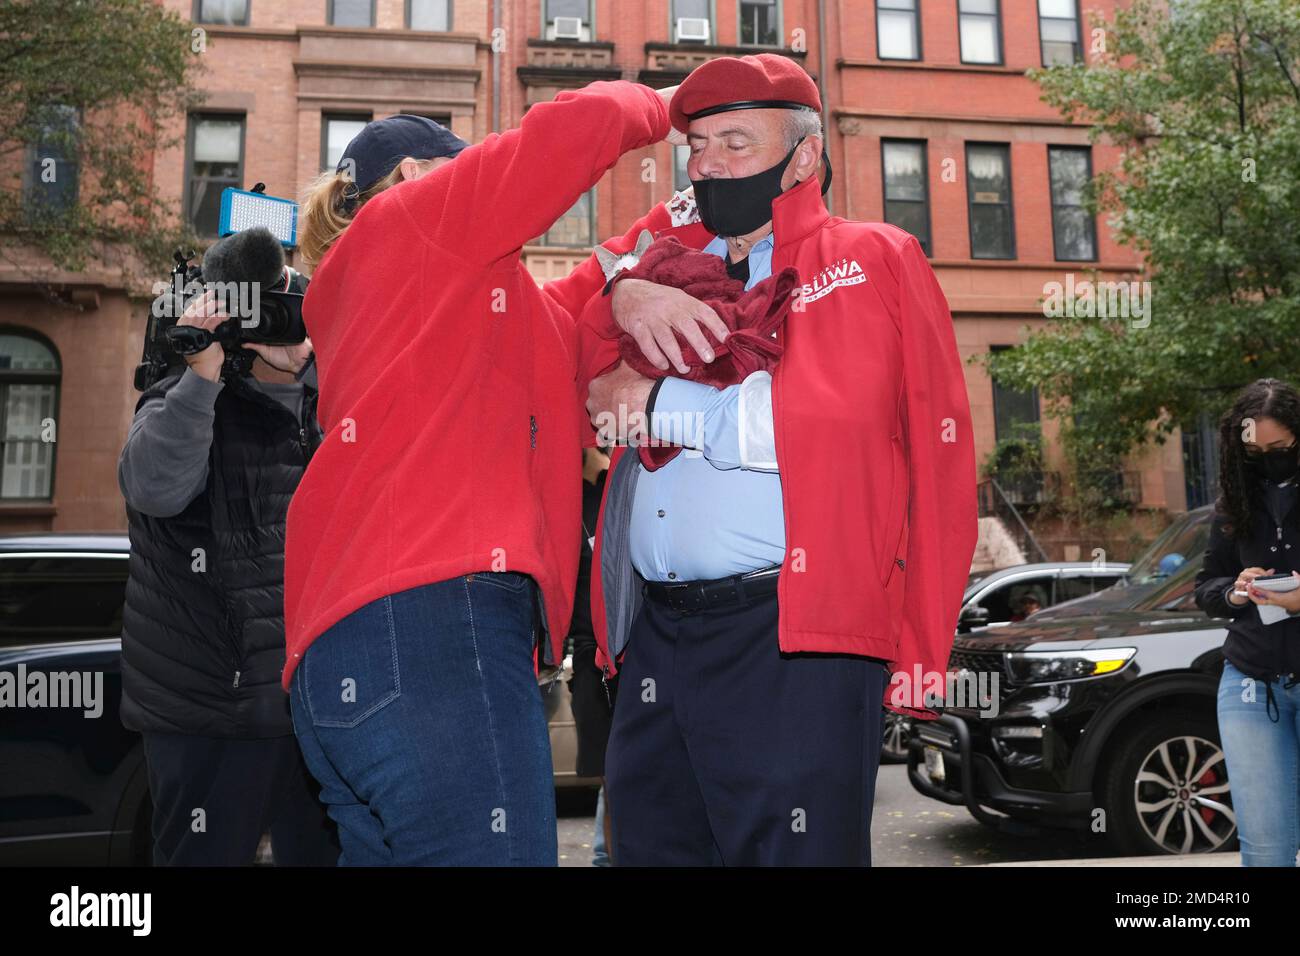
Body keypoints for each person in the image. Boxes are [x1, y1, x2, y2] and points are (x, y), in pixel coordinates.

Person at [285, 89, 728, 865]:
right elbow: (561, 136)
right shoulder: (417, 217)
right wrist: (679, 105)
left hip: (338, 662)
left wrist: (684, 213)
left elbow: (580, 294)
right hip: (433, 628)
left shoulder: (426, 300)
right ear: (420, 172)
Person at [580, 54, 978, 865]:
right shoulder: (663, 266)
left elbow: (838, 426)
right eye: (696, 145)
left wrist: (663, 405)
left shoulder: (874, 258)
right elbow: (574, 376)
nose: (708, 164)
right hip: (654, 633)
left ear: (803, 157)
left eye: (735, 140)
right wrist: (622, 289)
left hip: (793, 642)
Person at [118, 280, 339, 866]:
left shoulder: (325, 407)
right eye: (283, 310)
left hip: (312, 711)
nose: (300, 325)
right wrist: (201, 376)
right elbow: (153, 488)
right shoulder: (184, 400)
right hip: (209, 714)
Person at [1194, 377, 1300, 867]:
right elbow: (1207, 587)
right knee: (1266, 849)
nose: (1269, 457)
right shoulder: (1236, 498)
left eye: (1280, 447)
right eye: (1256, 451)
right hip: (1250, 681)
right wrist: (1237, 592)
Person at [567, 446, 617, 865]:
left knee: (625, 780)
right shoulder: (571, 502)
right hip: (591, 661)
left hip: (628, 656)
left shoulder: (612, 489)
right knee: (615, 781)